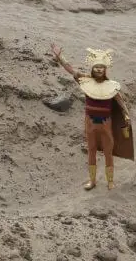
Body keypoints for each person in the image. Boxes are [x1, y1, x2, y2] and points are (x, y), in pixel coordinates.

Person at [50, 43, 131, 190]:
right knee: (91, 150)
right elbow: (71, 70)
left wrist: (126, 115)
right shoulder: (85, 80)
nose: (99, 69)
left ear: (105, 69)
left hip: (106, 123)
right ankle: (92, 181)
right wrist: (60, 58)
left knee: (108, 152)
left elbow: (121, 102)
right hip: (90, 123)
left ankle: (110, 181)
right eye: (96, 67)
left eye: (101, 67)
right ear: (92, 68)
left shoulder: (111, 85)